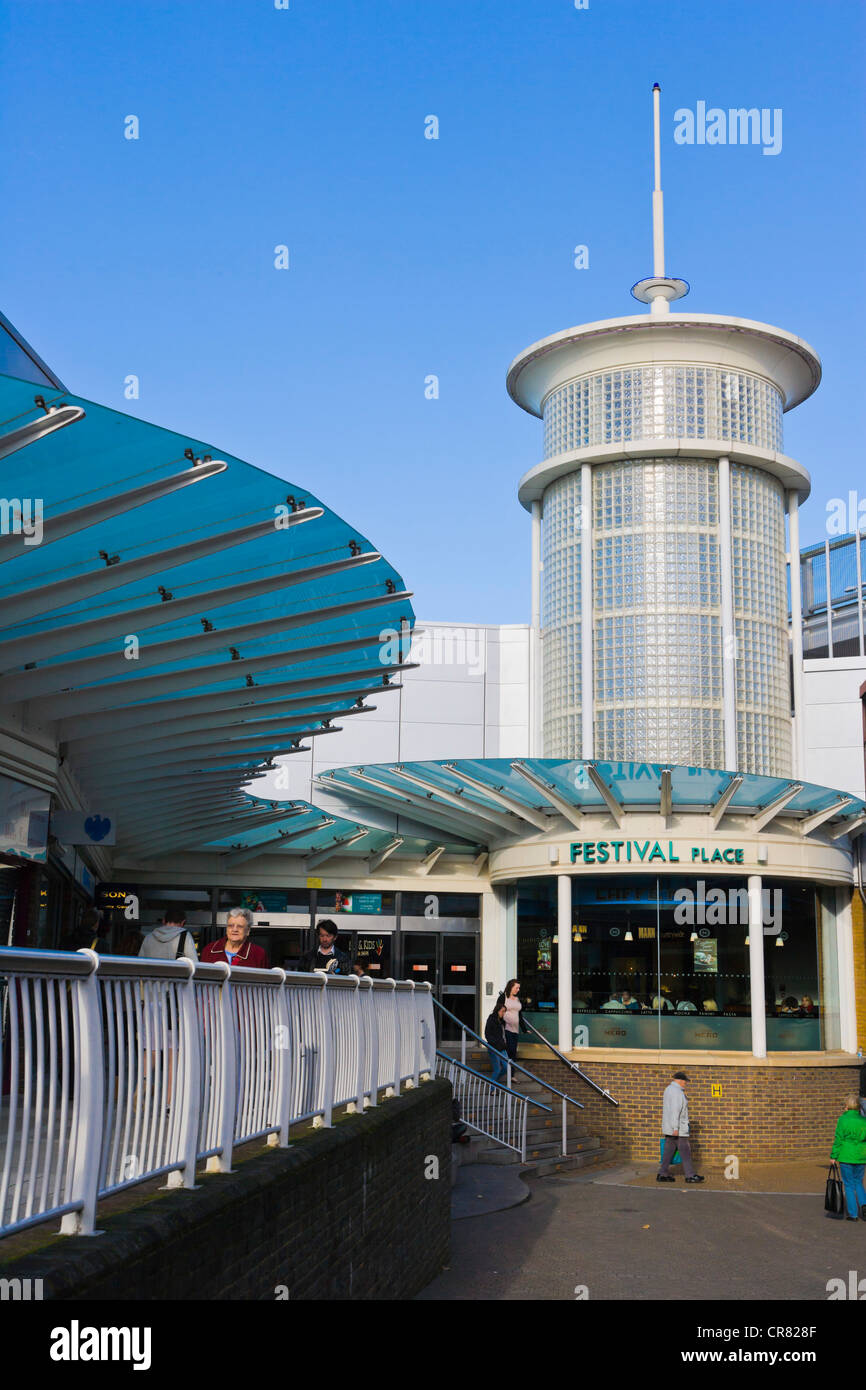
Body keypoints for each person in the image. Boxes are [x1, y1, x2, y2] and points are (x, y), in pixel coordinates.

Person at [657, 1071, 705, 1184]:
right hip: (678, 1129)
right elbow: (675, 1111)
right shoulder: (677, 1092)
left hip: (670, 1127)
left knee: (668, 1151)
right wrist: (675, 1128)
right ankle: (690, 1175)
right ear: (680, 1080)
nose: (685, 1084)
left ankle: (662, 1173)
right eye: (685, 1081)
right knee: (686, 1151)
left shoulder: (668, 1089)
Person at [830, 1095, 866, 1221]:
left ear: (847, 1106)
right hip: (861, 1156)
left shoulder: (842, 1120)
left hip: (846, 1155)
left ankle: (853, 1214)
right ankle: (864, 1204)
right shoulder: (863, 1120)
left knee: (849, 1185)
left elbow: (838, 1139)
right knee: (859, 1182)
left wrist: (833, 1156)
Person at [201, 908, 269, 967]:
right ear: (226, 929)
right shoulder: (209, 950)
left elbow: (266, 980)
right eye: (231, 926)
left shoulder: (258, 954)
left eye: (240, 926)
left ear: (248, 931)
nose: (234, 930)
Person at [500, 978, 528, 1065]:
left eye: (519, 988)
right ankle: (507, 1071)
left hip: (515, 1030)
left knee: (513, 1051)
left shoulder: (517, 999)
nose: (518, 990)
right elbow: (497, 1012)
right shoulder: (503, 997)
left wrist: (524, 1029)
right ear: (511, 987)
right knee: (510, 1050)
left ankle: (511, 1075)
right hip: (506, 1029)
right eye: (517, 988)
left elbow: (519, 1015)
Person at [484, 1000, 509, 1085]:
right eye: (502, 1011)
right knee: (497, 1069)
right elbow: (487, 1034)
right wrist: (495, 1044)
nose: (503, 1013)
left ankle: (493, 1081)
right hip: (493, 1047)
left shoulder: (502, 1021)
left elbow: (503, 1035)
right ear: (497, 1010)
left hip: (502, 1047)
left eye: (504, 1012)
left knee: (506, 1068)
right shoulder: (491, 1019)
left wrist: (504, 1044)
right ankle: (492, 1089)